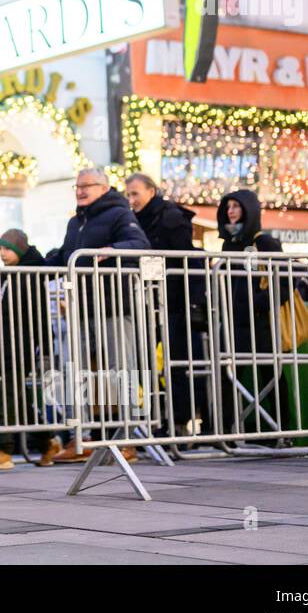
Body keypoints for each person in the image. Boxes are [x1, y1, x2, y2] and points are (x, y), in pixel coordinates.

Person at [44, 168, 150, 464]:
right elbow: (64, 255)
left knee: (121, 370)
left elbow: (140, 244)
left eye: (86, 185)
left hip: (114, 306)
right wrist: (29, 258)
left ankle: (127, 439)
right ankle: (84, 438)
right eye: (77, 186)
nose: (80, 190)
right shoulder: (75, 222)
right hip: (80, 308)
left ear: (103, 187)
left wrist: (112, 249)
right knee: (74, 371)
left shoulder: (119, 213)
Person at [125, 173, 207, 438]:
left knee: (175, 364)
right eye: (128, 194)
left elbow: (181, 256)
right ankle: (156, 417)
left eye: (135, 193)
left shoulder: (170, 216)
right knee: (145, 360)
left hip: (174, 300)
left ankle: (180, 421)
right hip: (148, 299)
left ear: (151, 191)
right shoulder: (132, 220)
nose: (131, 199)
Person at [0, 228, 46, 471]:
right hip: (7, 345)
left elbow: (34, 315)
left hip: (22, 345)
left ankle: (4, 450)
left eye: (7, 248)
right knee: (18, 397)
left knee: (9, 396)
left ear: (18, 248)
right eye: (0, 248)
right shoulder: (7, 275)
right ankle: (48, 442)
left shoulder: (29, 273)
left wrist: (40, 347)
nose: (2, 253)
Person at [217, 189, 283, 435]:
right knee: (228, 375)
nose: (231, 211)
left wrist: (260, 302)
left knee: (270, 374)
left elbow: (288, 277)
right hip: (232, 320)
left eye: (236, 206)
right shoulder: (228, 243)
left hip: (260, 322)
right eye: (228, 207)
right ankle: (225, 432)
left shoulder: (263, 242)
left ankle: (279, 430)